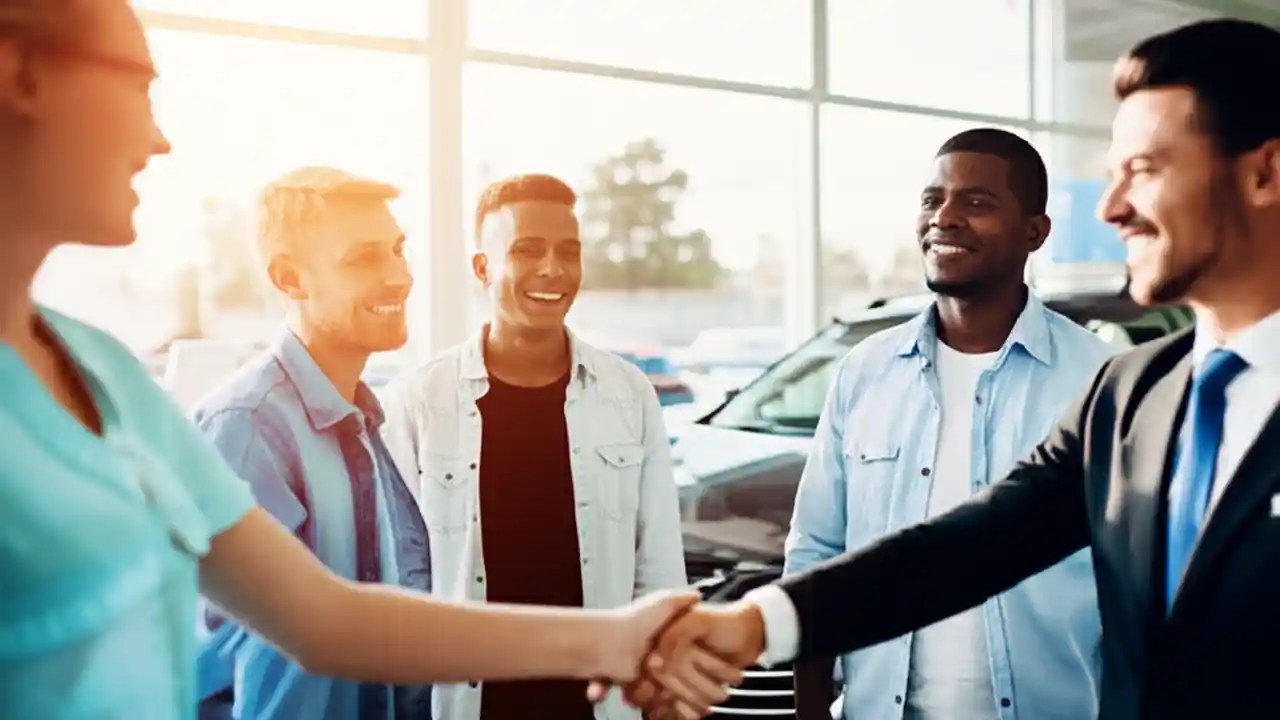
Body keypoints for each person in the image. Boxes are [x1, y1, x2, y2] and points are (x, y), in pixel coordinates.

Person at [0, 3, 735, 718]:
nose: (158, 138)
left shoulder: (111, 379)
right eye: (136, 83)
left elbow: (323, 619)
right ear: (19, 74)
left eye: (398, 252)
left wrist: (613, 639)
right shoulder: (255, 419)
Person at [624, 18, 1280, 720]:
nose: (1112, 207)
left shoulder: (1096, 369)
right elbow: (963, 549)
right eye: (1112, 172)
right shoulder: (1132, 395)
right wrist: (752, 626)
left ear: (1265, 172)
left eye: (1144, 170)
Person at [787, 129, 1112, 720]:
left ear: (1035, 231)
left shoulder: (1099, 380)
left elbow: (1132, 583)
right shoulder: (865, 373)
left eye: (977, 202)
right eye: (932, 200)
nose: (945, 218)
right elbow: (815, 555)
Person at [381, 173, 688, 720]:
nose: (553, 269)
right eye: (527, 250)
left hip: (600, 706)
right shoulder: (419, 401)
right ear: (482, 268)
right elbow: (398, 581)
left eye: (568, 253)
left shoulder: (628, 394)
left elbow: (659, 569)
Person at [193, 167, 431, 719]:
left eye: (398, 251)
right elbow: (244, 669)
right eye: (364, 258)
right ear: (289, 279)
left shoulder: (365, 421)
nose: (398, 277)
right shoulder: (248, 428)